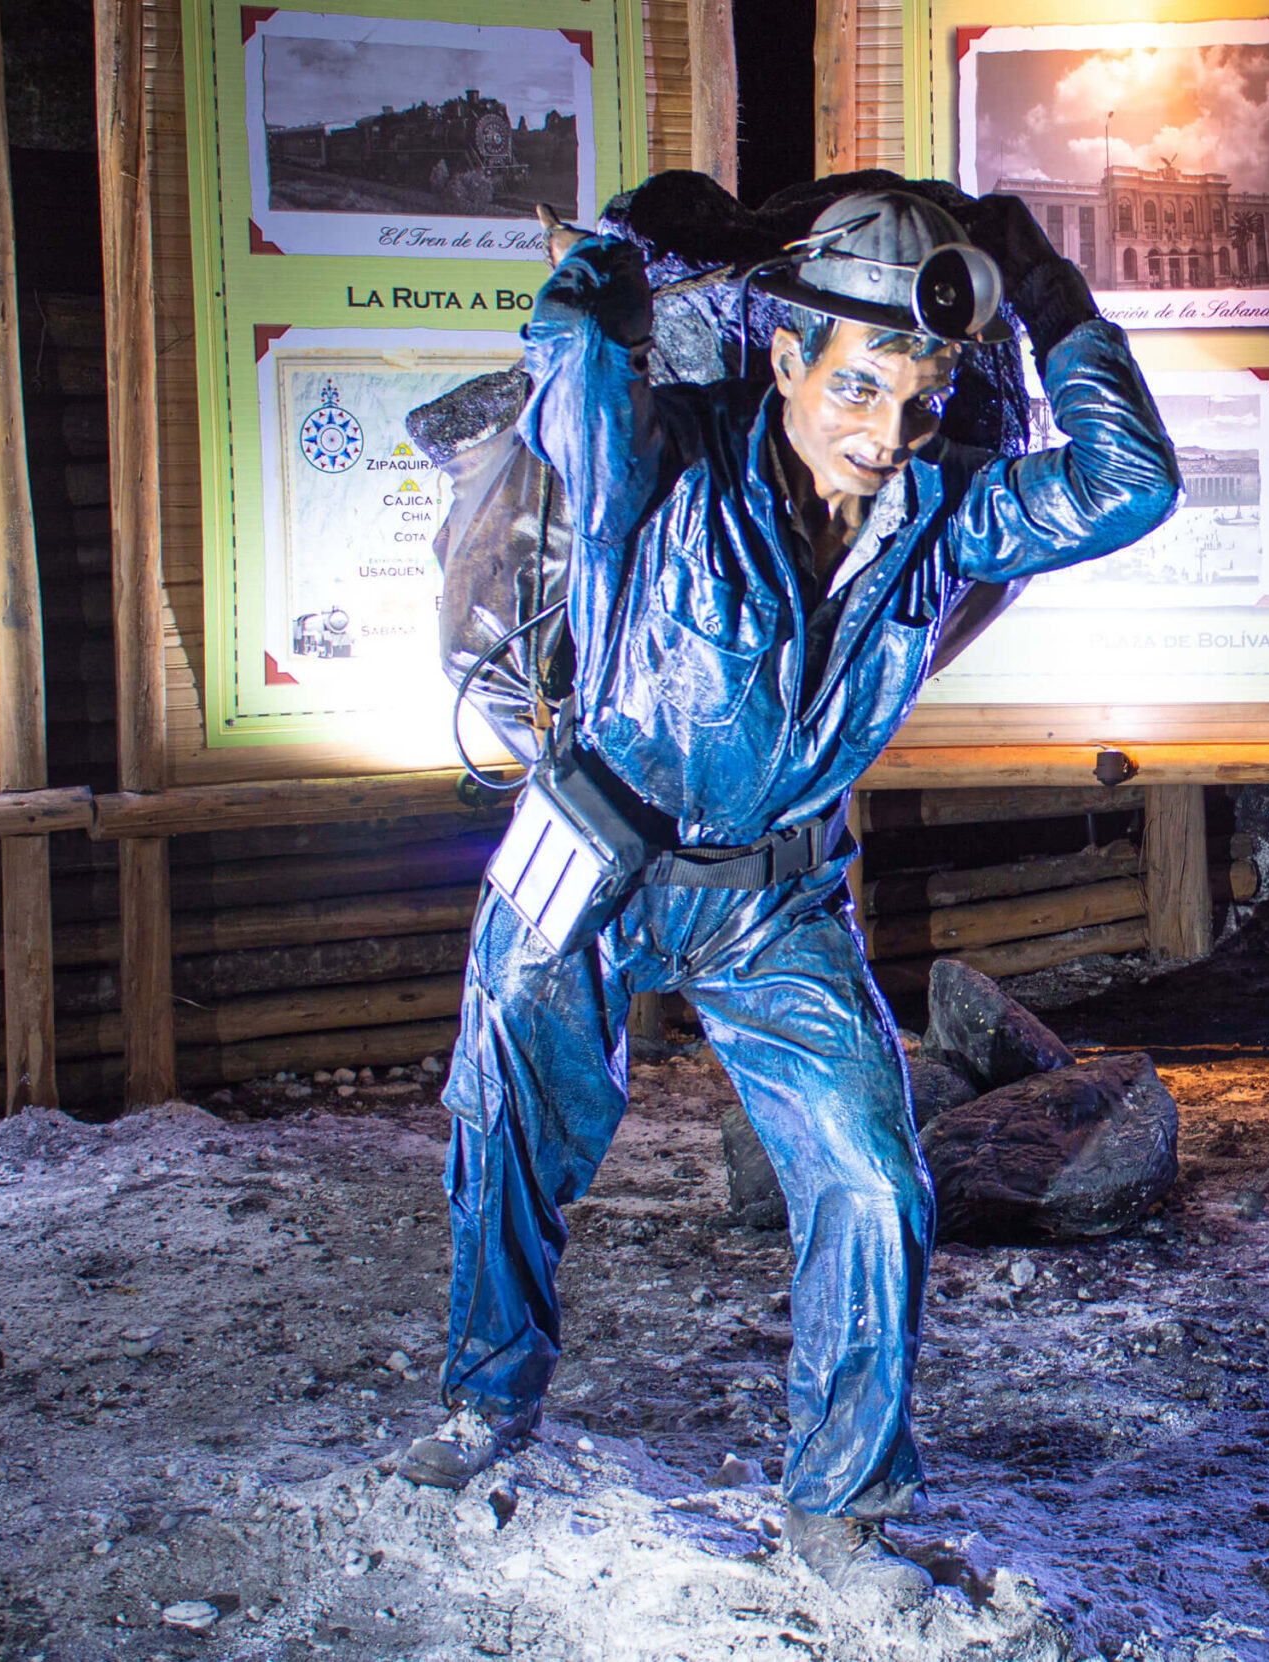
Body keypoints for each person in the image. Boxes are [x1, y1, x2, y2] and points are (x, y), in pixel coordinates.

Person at [394, 186, 1179, 1604]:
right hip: (600, 858)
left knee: (872, 1176)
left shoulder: (935, 513)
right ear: (784, 361)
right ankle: (484, 1407)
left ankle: (841, 1516)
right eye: (860, 386)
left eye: (922, 399)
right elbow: (575, 345)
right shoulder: (662, 466)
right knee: (511, 1128)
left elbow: (1132, 482)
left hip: (776, 904)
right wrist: (619, 246)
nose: (885, 434)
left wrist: (1045, 287)